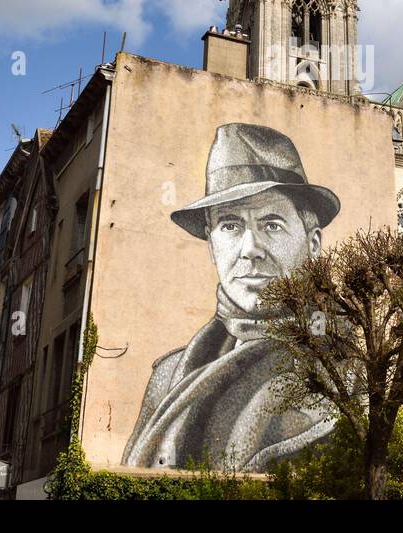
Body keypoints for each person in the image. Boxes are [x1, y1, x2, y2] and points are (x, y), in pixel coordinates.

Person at [122, 123, 341, 472]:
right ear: (211, 246)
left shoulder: (348, 365)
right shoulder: (168, 375)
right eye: (230, 226)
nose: (250, 250)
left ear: (313, 243)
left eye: (272, 225)